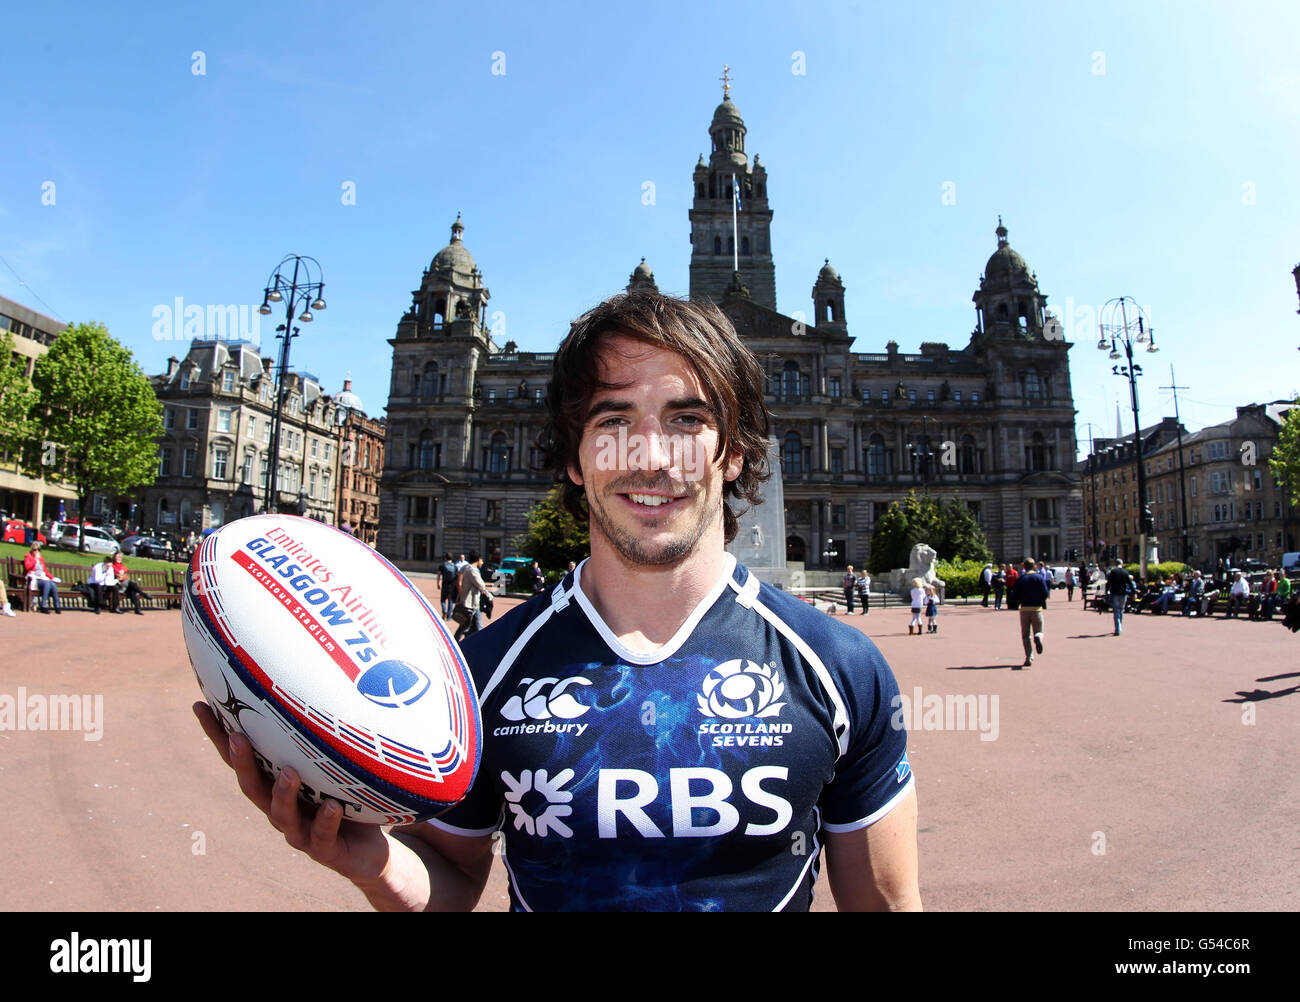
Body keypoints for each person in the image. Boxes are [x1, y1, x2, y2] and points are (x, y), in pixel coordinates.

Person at [193, 291, 920, 912]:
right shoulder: (473, 678)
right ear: (571, 458)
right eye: (612, 423)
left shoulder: (840, 668)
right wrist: (375, 862)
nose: (651, 456)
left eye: (688, 420)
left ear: (735, 453)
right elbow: (448, 880)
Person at [1010, 558, 1049, 668]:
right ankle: (1038, 637)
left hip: (1025, 610)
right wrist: (1040, 601)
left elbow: (1015, 595)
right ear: (1034, 566)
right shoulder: (1039, 578)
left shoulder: (1021, 579)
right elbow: (1046, 593)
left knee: (1025, 635)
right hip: (1037, 609)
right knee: (1039, 631)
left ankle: (1029, 657)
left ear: (1024, 566)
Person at [452, 550, 488, 642]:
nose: (482, 563)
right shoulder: (473, 570)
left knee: (466, 625)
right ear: (478, 560)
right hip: (471, 603)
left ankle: (458, 641)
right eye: (481, 560)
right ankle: (480, 644)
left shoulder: (465, 567)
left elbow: (459, 580)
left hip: (467, 601)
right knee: (474, 626)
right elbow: (481, 585)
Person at [23, 541, 61, 614]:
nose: (36, 551)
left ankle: (57, 606)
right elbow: (27, 567)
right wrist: (35, 560)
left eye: (38, 550)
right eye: (35, 550)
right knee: (47, 583)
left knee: (52, 584)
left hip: (41, 577)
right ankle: (43, 605)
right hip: (33, 578)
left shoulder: (41, 558)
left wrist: (52, 577)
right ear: (32, 550)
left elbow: (45, 570)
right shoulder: (28, 556)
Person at [1105, 559, 1134, 635]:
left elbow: (1108, 583)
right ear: (1122, 564)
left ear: (1115, 564)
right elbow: (1130, 583)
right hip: (1123, 593)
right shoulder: (1125, 572)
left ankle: (1118, 628)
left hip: (1115, 593)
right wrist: (1133, 592)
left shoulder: (1113, 572)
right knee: (1121, 610)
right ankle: (1120, 626)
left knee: (1116, 611)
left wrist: (1106, 591)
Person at [438, 553, 459, 619]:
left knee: (443, 600)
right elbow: (457, 576)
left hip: (444, 584)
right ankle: (449, 616)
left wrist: (438, 583)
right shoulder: (455, 566)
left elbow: (439, 575)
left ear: (445, 558)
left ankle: (444, 610)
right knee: (451, 601)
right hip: (452, 586)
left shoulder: (442, 565)